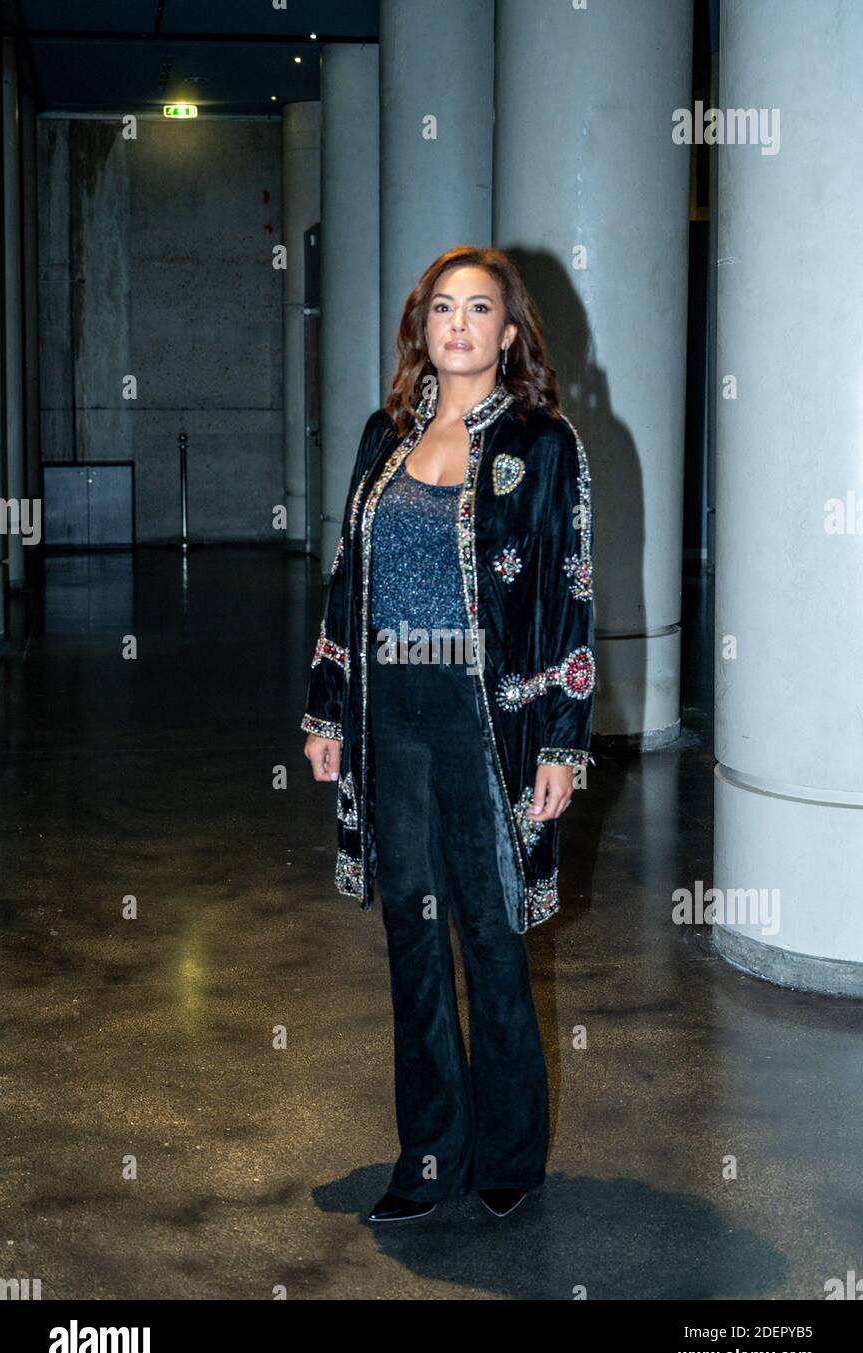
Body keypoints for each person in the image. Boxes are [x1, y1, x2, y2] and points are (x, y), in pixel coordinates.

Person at [301, 245, 596, 1223]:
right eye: (441, 307)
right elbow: (347, 579)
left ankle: (509, 1150)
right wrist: (329, 707)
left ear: (510, 333)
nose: (458, 324)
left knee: (494, 938)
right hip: (394, 719)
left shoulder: (541, 445)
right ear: (420, 327)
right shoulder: (382, 437)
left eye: (480, 308)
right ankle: (430, 1154)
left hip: (489, 721)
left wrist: (562, 740)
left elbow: (566, 596)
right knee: (415, 941)